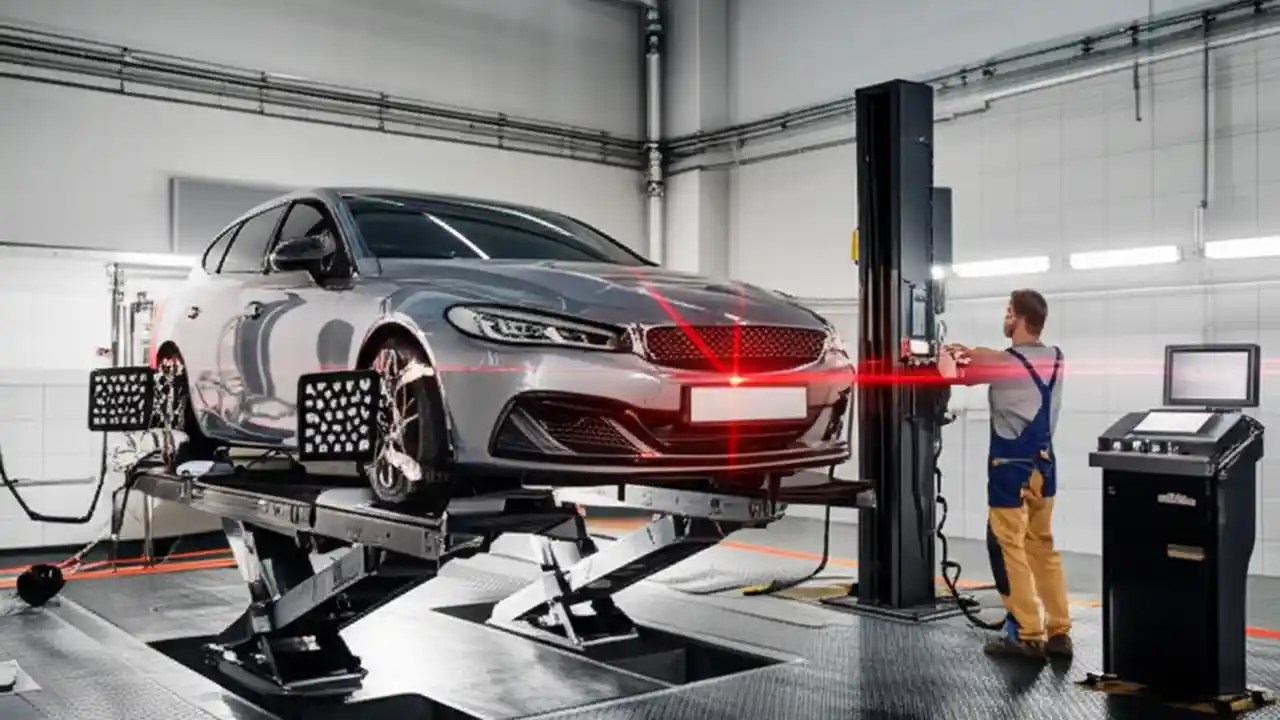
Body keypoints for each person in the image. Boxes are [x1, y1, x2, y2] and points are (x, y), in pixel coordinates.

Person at [945, 289, 1072, 661]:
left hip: (1010, 469)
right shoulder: (1057, 358)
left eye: (1007, 311)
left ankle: (1028, 635)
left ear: (1016, 317)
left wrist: (951, 353)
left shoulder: (1004, 361)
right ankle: (1059, 632)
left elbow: (957, 371)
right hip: (1044, 467)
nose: (1005, 317)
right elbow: (996, 357)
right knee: (1043, 547)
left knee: (1009, 547)